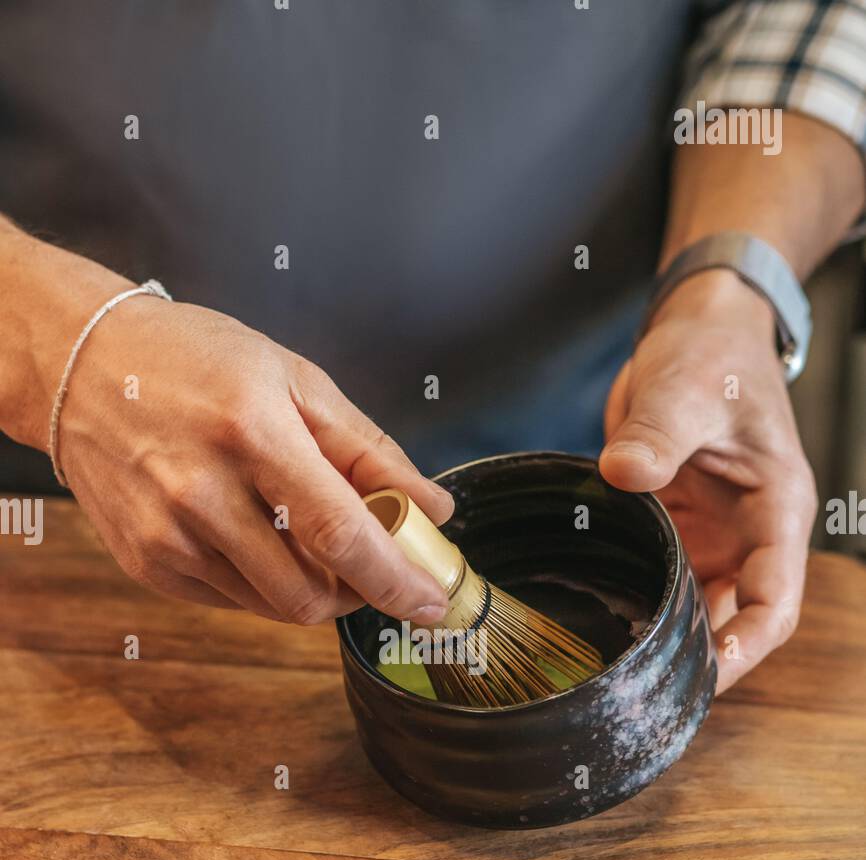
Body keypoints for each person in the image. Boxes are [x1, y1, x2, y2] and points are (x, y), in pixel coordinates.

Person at [1, 1, 863, 690]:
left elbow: (806, 15)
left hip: (589, 461)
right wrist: (59, 352)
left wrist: (726, 292)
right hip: (57, 520)